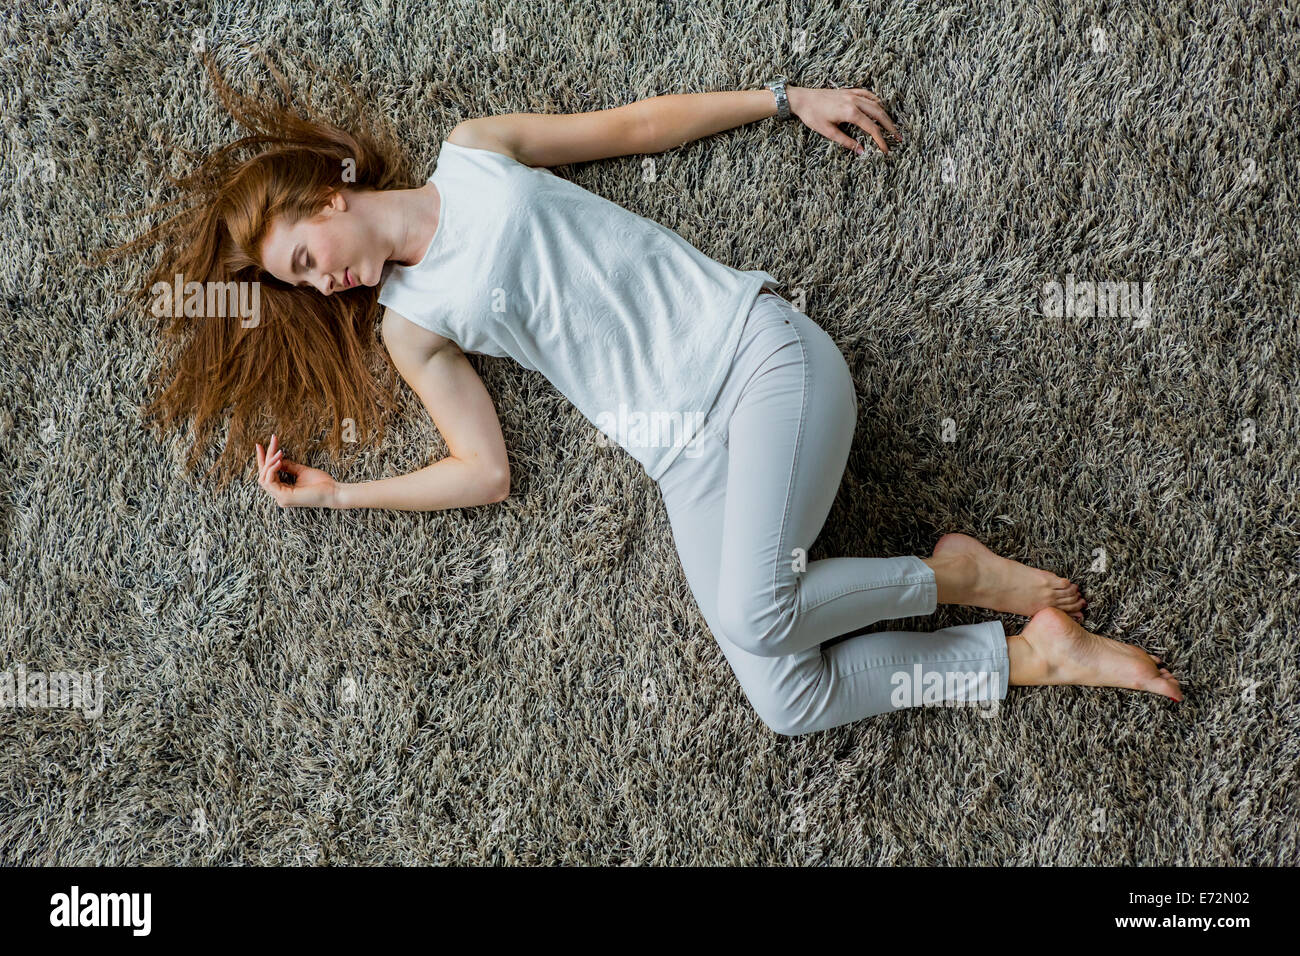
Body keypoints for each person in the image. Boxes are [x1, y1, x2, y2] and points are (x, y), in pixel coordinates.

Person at [108, 55, 1182, 737]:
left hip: (756, 361)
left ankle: (949, 574)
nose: (322, 277)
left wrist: (780, 98)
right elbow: (484, 471)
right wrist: (340, 497)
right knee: (785, 698)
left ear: (327, 190)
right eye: (300, 282)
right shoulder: (408, 327)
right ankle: (1029, 656)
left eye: (308, 250)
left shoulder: (475, 153)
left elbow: (630, 126)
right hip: (686, 458)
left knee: (753, 611)